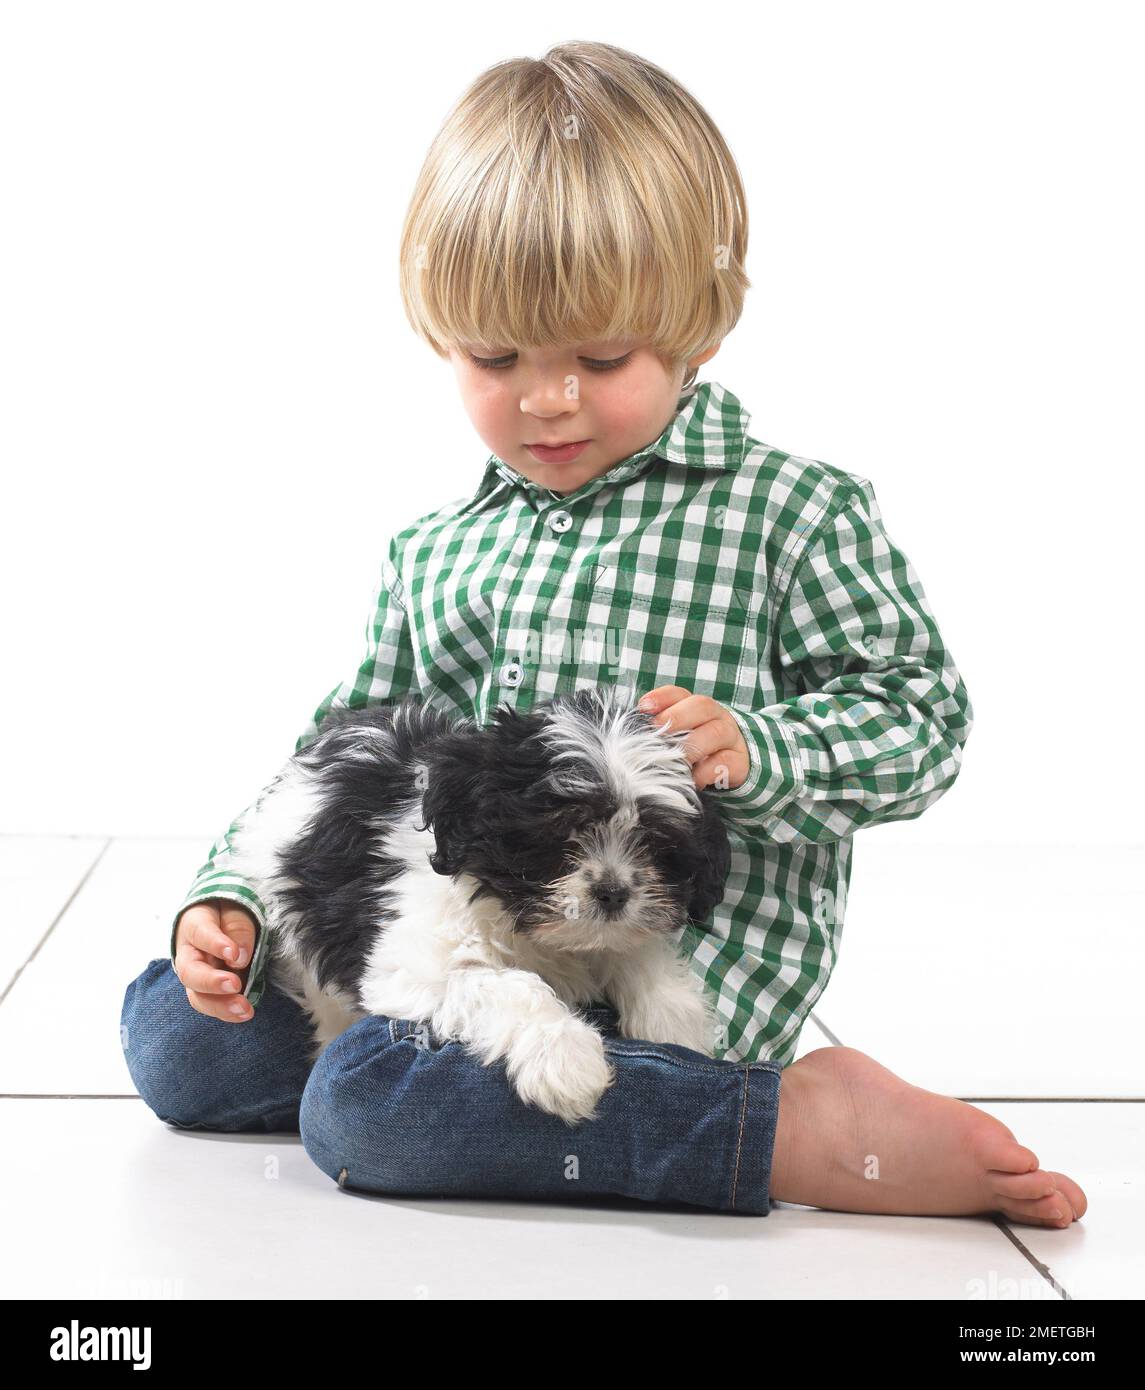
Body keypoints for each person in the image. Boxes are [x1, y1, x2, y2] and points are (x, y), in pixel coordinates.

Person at [121, 40, 1085, 1225]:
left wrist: (758, 747)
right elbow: (336, 748)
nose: (545, 398)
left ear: (698, 328)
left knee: (364, 1109)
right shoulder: (437, 548)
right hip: (479, 953)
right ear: (440, 339)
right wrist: (226, 894)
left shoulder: (790, 514)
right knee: (173, 1035)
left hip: (655, 977)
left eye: (598, 356)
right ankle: (468, 1091)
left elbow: (922, 723)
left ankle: (784, 1128)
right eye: (495, 357)